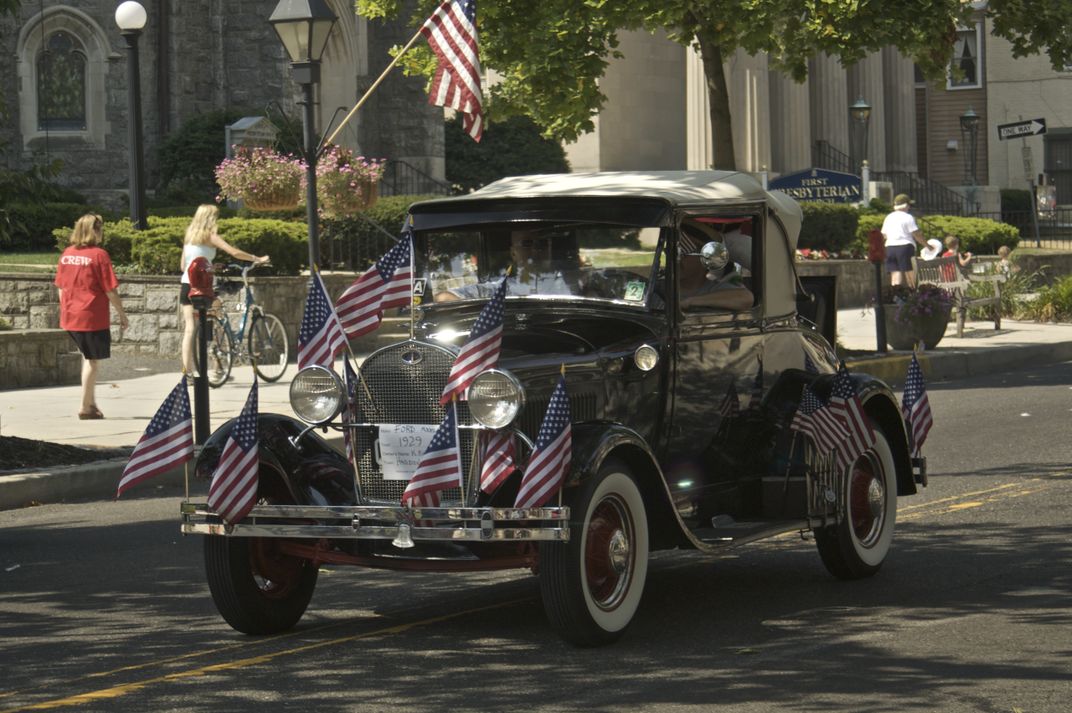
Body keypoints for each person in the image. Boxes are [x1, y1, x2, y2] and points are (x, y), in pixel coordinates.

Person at [54, 214, 128, 419]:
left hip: (70, 315)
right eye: (100, 228)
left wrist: (66, 308)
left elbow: (60, 287)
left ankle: (91, 402)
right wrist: (122, 314)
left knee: (86, 357)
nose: (102, 232)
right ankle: (85, 407)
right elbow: (110, 290)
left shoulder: (67, 254)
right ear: (93, 230)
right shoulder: (99, 255)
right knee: (92, 360)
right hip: (91, 316)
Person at [181, 204, 269, 375]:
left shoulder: (189, 237)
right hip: (203, 289)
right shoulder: (210, 235)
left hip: (186, 285)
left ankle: (187, 372)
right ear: (211, 218)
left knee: (190, 328)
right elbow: (234, 252)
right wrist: (257, 259)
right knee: (219, 317)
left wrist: (211, 266)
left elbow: (184, 265)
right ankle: (218, 362)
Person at [435, 230, 578, 301]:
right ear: (513, 253)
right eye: (527, 244)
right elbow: (444, 298)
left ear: (550, 248)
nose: (535, 249)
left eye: (542, 243)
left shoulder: (575, 282)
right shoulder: (500, 289)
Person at [678, 221, 753, 311]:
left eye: (683, 253)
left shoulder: (718, 289)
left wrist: (690, 301)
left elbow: (746, 298)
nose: (676, 259)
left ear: (705, 258)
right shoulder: (661, 286)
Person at [881, 193, 929, 287]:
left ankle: (896, 294)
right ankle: (914, 293)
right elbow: (916, 234)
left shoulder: (888, 217)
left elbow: (883, 235)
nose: (909, 208)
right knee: (909, 271)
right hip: (905, 247)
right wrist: (927, 246)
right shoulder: (908, 217)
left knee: (895, 273)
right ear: (906, 205)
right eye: (909, 205)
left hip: (890, 247)